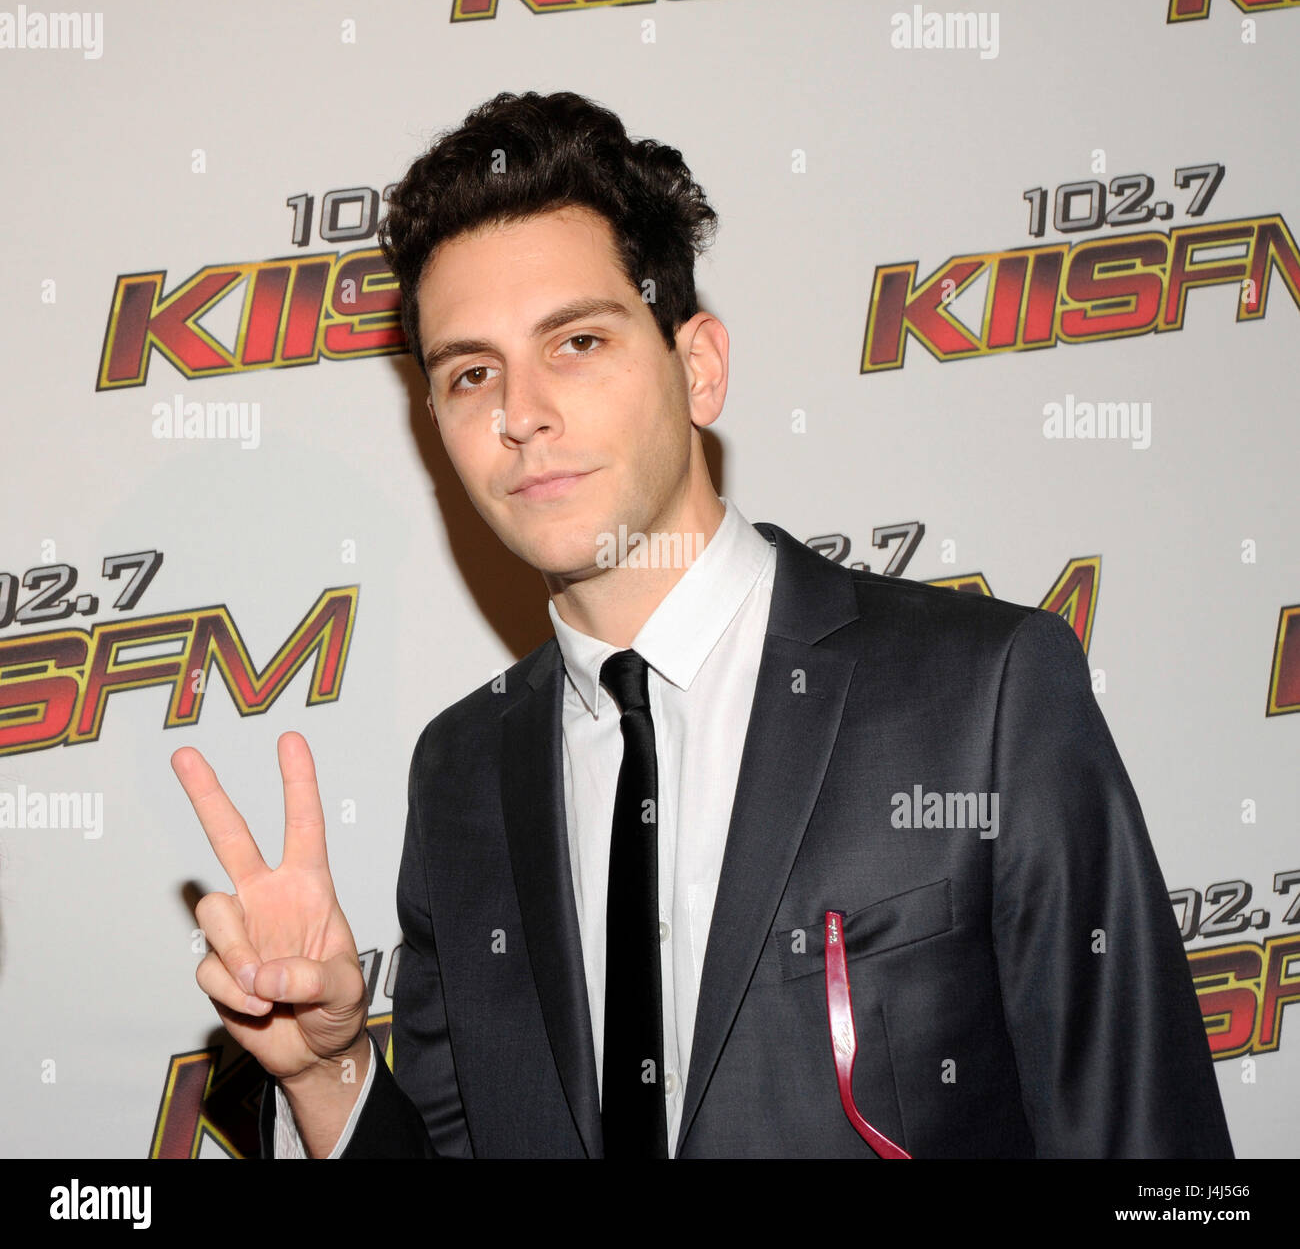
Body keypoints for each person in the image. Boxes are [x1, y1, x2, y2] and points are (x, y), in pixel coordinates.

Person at [172, 90, 1233, 1160]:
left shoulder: (982, 694)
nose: (520, 412)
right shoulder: (460, 771)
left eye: (577, 340)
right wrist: (327, 1069)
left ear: (699, 366)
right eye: (471, 372)